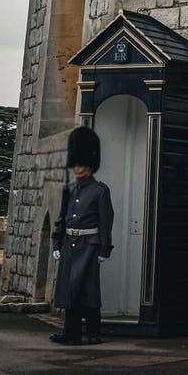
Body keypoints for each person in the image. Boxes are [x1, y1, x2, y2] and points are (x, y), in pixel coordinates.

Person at [49, 126, 114, 345]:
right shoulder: (70, 189)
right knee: (69, 290)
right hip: (70, 244)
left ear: (90, 164)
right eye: (75, 162)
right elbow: (62, 218)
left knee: (88, 291)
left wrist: (104, 249)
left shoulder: (100, 190)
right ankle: (71, 333)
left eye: (81, 162)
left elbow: (106, 223)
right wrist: (57, 243)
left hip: (89, 245)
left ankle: (93, 333)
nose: (77, 167)